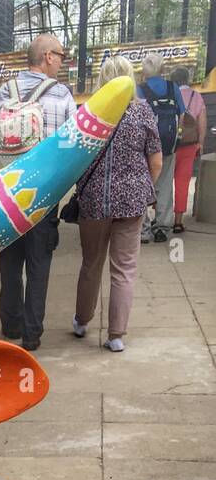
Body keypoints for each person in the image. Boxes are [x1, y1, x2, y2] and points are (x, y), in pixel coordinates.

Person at [0, 34, 75, 350]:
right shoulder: (61, 95)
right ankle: (31, 334)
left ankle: (10, 324)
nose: (63, 61)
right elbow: (70, 148)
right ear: (48, 56)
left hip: (7, 194)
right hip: (43, 194)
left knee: (10, 261)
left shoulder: (1, 93)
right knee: (39, 263)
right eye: (61, 55)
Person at [71, 57, 162, 353]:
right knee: (124, 268)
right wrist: (142, 187)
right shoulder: (142, 112)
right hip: (132, 202)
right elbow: (156, 161)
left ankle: (82, 321)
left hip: (95, 201)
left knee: (91, 263)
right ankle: (116, 335)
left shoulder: (88, 114)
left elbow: (75, 159)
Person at [137, 52, 185, 242]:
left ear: (144, 71)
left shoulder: (140, 90)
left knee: (141, 185)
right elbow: (181, 114)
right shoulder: (173, 88)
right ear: (162, 69)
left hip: (144, 148)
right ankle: (162, 228)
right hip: (168, 145)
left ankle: (143, 230)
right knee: (165, 185)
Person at [171, 66, 207, 231]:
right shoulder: (196, 96)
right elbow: (202, 123)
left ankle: (159, 218)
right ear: (187, 79)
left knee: (163, 182)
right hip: (189, 145)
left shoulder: (170, 95)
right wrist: (200, 142)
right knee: (182, 182)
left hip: (169, 145)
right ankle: (178, 221)